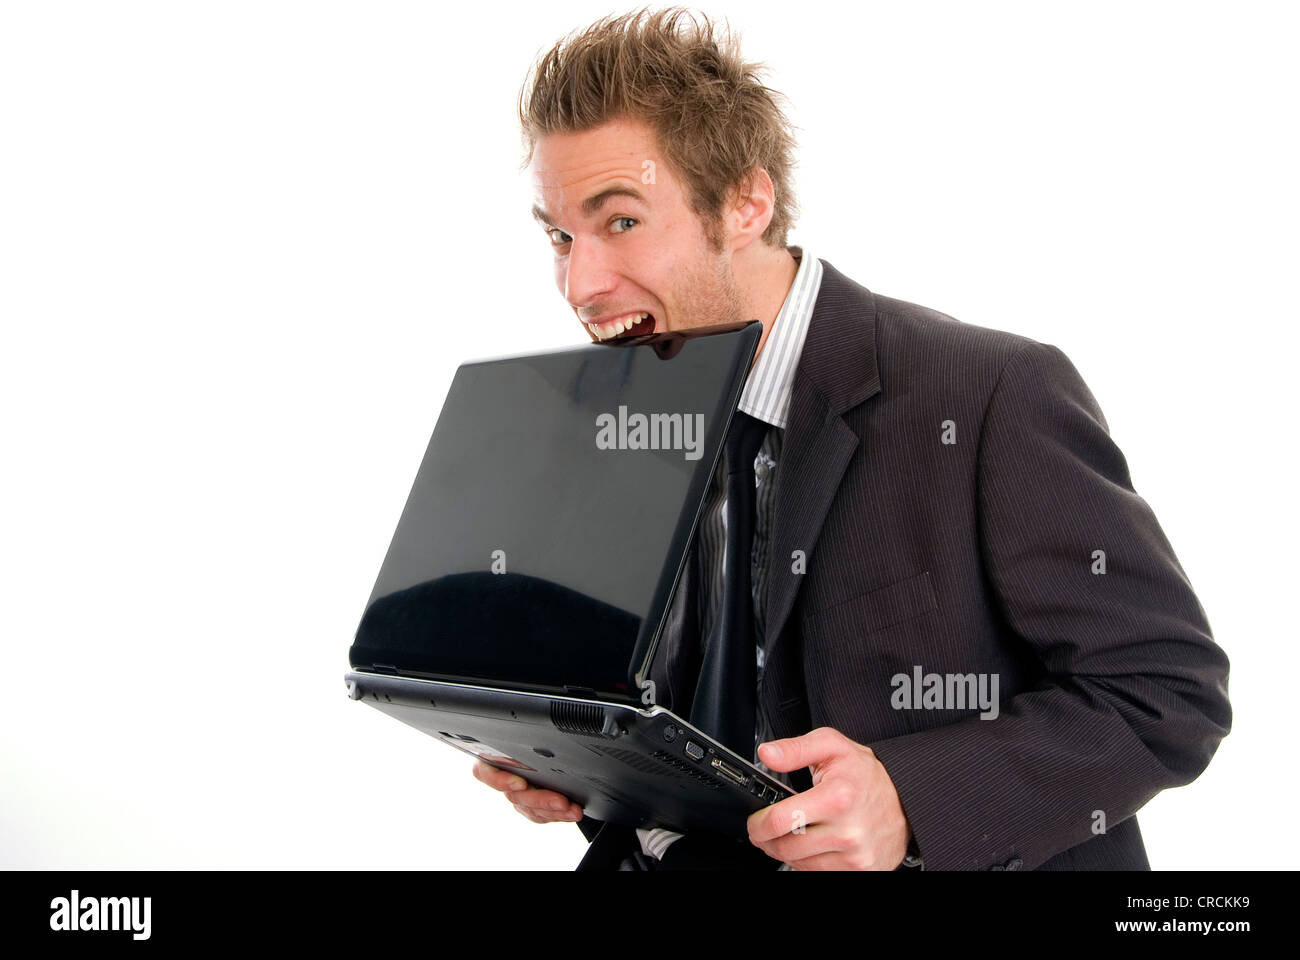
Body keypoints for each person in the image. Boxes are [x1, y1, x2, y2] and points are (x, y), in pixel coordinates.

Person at [471, 7, 1232, 870]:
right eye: (561, 236)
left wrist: (910, 798)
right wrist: (576, 754)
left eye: (621, 223)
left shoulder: (987, 395)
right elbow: (673, 705)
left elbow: (1167, 693)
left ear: (747, 203)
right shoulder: (624, 403)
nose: (582, 283)